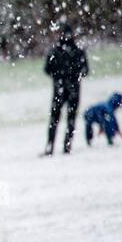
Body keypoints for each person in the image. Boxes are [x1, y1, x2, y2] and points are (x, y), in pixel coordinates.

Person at [43, 23, 89, 155]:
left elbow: (47, 69)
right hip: (74, 90)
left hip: (59, 89)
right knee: (71, 119)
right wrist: (74, 77)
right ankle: (67, 146)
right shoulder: (78, 51)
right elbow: (85, 71)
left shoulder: (55, 51)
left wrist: (58, 77)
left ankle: (50, 146)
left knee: (54, 119)